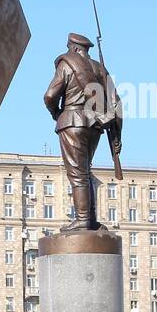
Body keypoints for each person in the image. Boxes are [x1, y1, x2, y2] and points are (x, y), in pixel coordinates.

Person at [42, 32, 122, 230]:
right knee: (86, 172)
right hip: (95, 126)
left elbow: (50, 96)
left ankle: (83, 219)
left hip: (72, 122)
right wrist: (117, 136)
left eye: (70, 49)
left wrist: (57, 113)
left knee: (78, 174)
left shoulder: (67, 64)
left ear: (75, 49)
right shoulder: (100, 68)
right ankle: (90, 220)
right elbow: (116, 104)